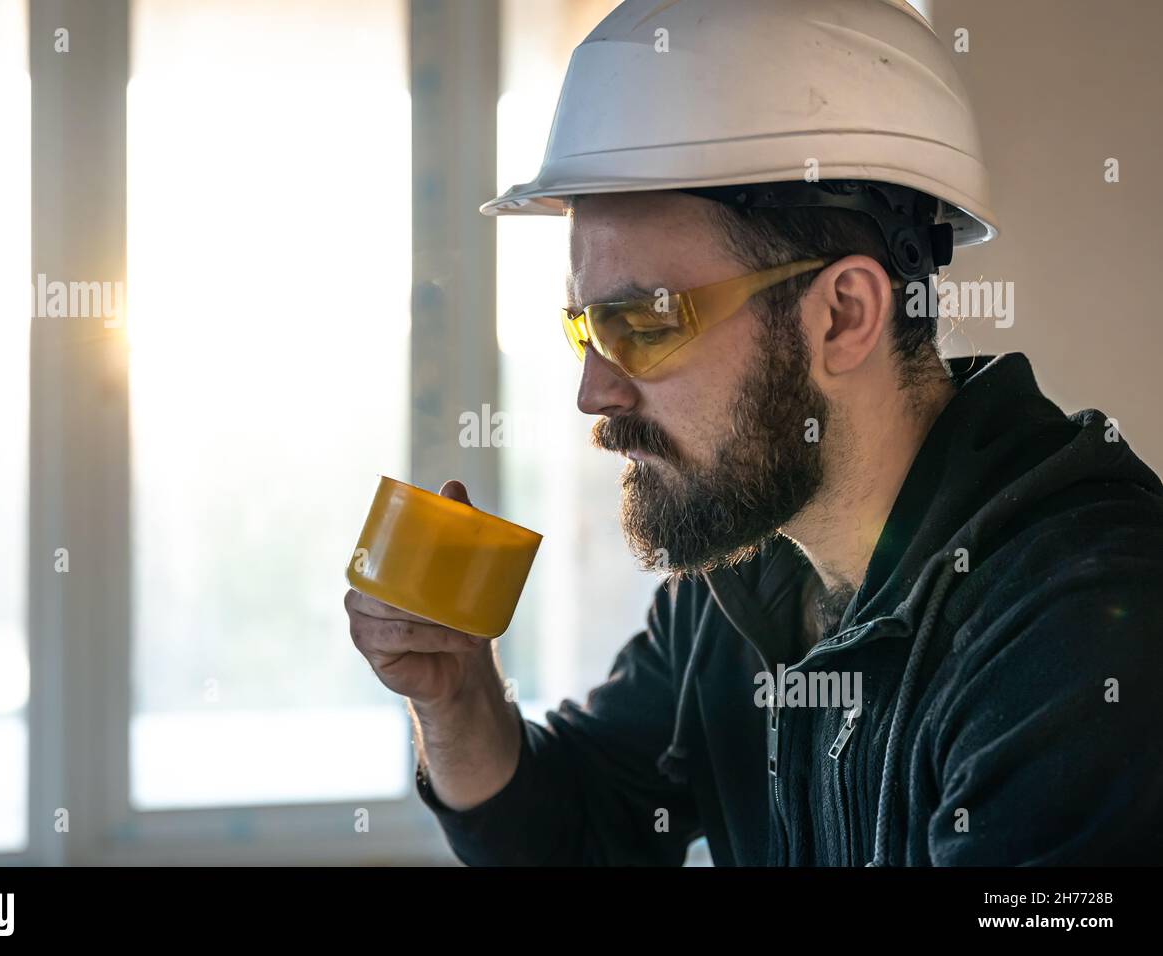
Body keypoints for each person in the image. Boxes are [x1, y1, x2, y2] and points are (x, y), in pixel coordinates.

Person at [344, 0, 1163, 865]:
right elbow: (579, 827)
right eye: (586, 327)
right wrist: (459, 701)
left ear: (844, 316)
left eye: (646, 324)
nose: (594, 392)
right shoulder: (753, 560)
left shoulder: (1080, 626)